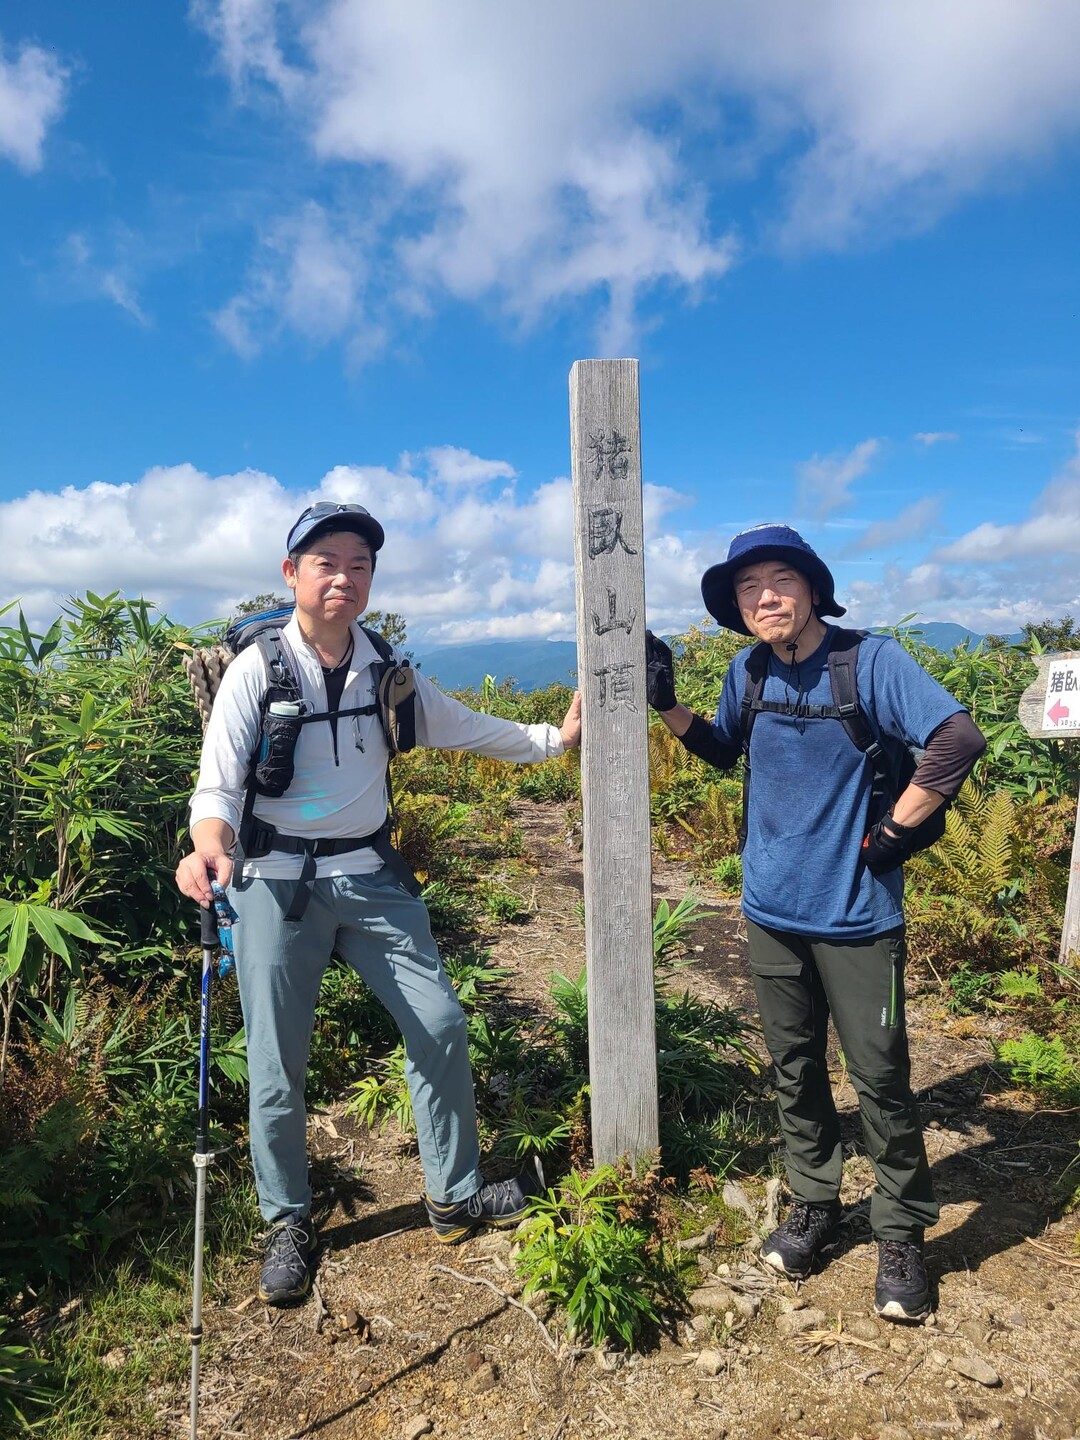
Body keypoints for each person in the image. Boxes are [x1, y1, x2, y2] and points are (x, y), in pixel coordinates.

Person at [176, 501, 581, 1305]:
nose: (344, 577)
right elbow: (217, 781)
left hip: (370, 873)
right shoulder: (259, 670)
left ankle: (454, 1196)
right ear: (291, 573)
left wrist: (552, 740)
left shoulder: (387, 673)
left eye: (359, 565)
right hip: (274, 881)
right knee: (276, 1063)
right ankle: (288, 1220)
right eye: (326, 562)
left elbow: (465, 726)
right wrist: (208, 843)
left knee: (440, 1022)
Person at [645, 523, 985, 1322]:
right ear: (737, 606)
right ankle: (815, 1203)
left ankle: (900, 1232)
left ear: (811, 589)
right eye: (748, 587)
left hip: (859, 916)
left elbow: (958, 737)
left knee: (881, 1080)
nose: (765, 597)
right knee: (794, 1069)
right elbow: (725, 750)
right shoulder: (747, 670)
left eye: (780, 581)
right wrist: (667, 704)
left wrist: (896, 829)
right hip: (770, 912)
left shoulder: (871, 662)